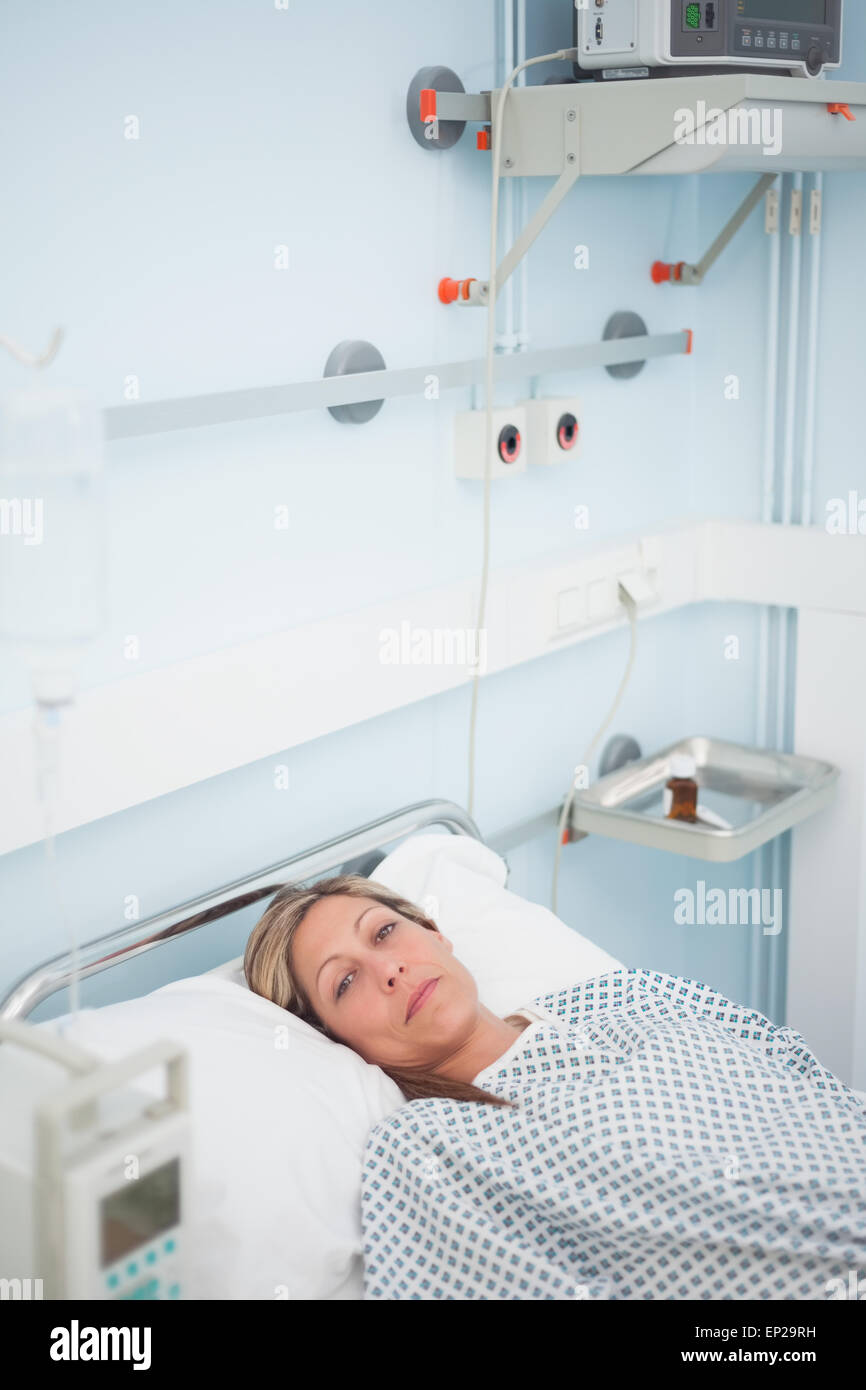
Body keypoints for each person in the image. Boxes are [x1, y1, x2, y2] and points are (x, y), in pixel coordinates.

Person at [244, 874, 866, 1300]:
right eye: (344, 983)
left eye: (383, 933)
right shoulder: (427, 1149)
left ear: (434, 931)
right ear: (334, 1041)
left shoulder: (628, 995)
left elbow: (799, 1071)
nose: (388, 969)